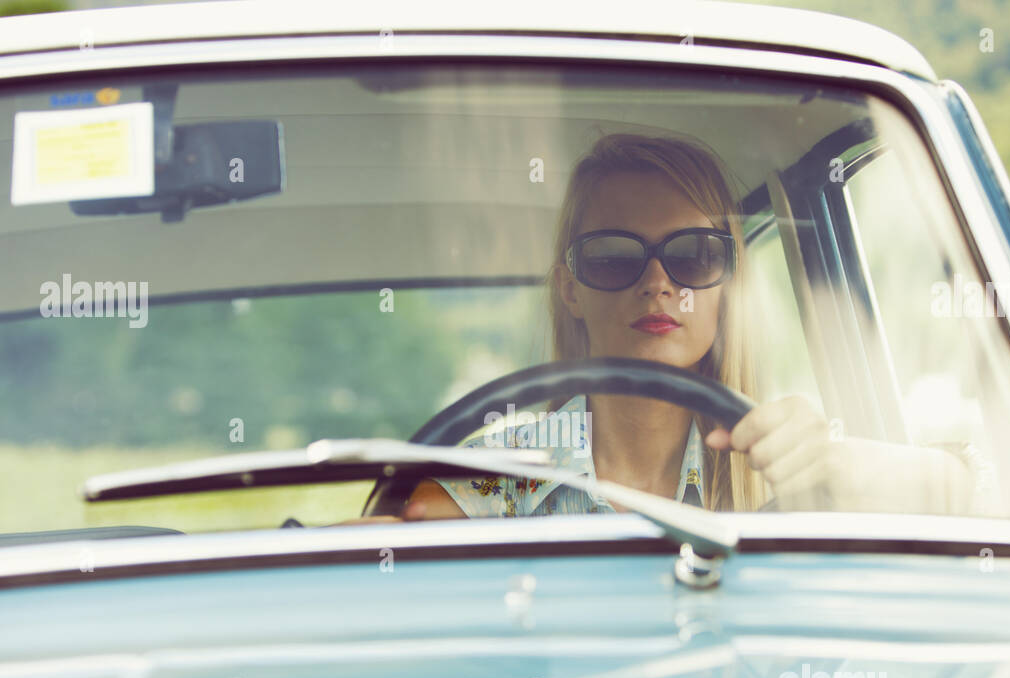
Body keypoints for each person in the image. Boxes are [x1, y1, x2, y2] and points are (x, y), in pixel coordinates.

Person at [384, 133, 976, 522]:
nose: (659, 283)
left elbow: (989, 501)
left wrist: (837, 464)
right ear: (571, 290)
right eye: (615, 256)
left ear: (725, 282)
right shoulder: (496, 478)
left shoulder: (784, 464)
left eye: (693, 254)